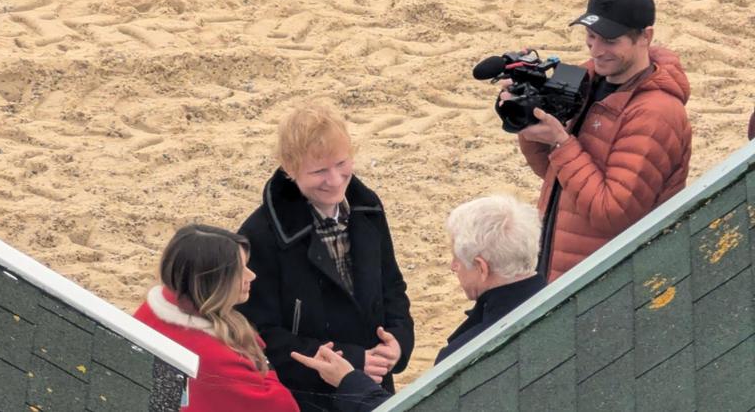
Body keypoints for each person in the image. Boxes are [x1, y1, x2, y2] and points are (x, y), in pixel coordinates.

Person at [502, 0, 691, 282]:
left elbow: (612, 212)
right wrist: (529, 120)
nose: (596, 50)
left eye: (610, 41)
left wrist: (562, 143)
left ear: (646, 37)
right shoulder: (586, 78)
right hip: (562, 268)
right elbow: (555, 177)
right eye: (591, 36)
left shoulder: (656, 115)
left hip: (608, 285)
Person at [291, 194, 546, 412]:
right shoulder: (563, 299)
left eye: (457, 258)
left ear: (481, 267)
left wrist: (349, 381)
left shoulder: (472, 353)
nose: (453, 266)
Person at [237, 104, 414, 411]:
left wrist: (398, 342)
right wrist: (353, 361)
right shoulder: (260, 235)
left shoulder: (368, 209)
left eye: (342, 164)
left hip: (373, 386)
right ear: (290, 170)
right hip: (308, 399)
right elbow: (259, 336)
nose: (334, 180)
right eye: (319, 171)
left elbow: (392, 287)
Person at [134, 224, 299, 412]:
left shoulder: (149, 311)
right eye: (240, 270)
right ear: (212, 280)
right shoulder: (219, 358)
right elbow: (283, 407)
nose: (251, 276)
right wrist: (264, 365)